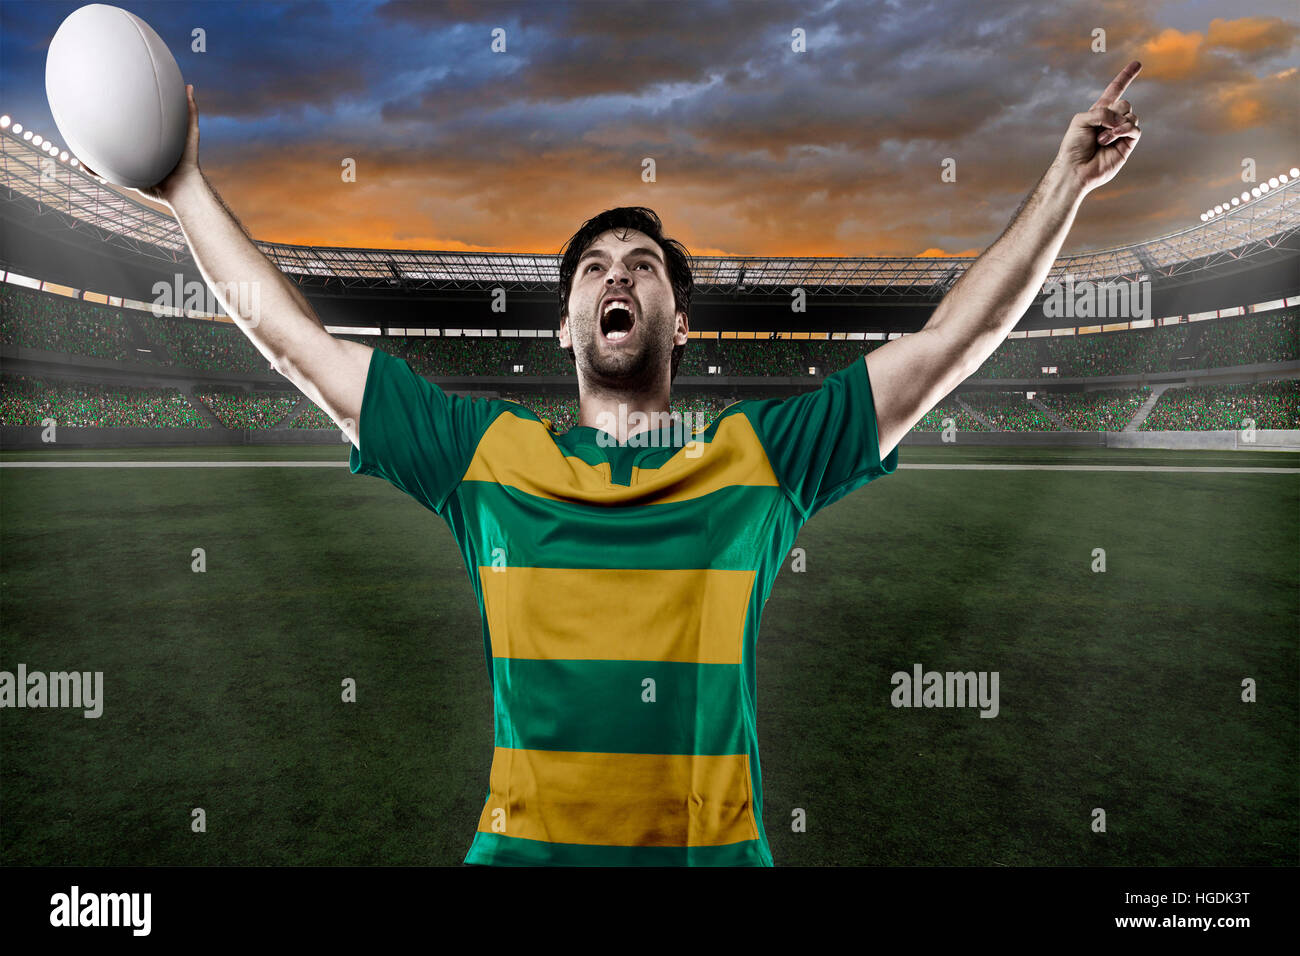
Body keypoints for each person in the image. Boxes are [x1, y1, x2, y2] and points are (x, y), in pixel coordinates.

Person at [114, 63, 1142, 865]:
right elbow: (302, 348)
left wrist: (1066, 181)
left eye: (641, 266)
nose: (618, 275)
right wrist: (185, 187)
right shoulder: (486, 457)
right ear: (565, 326)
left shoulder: (758, 459)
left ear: (675, 321)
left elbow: (943, 346)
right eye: (595, 270)